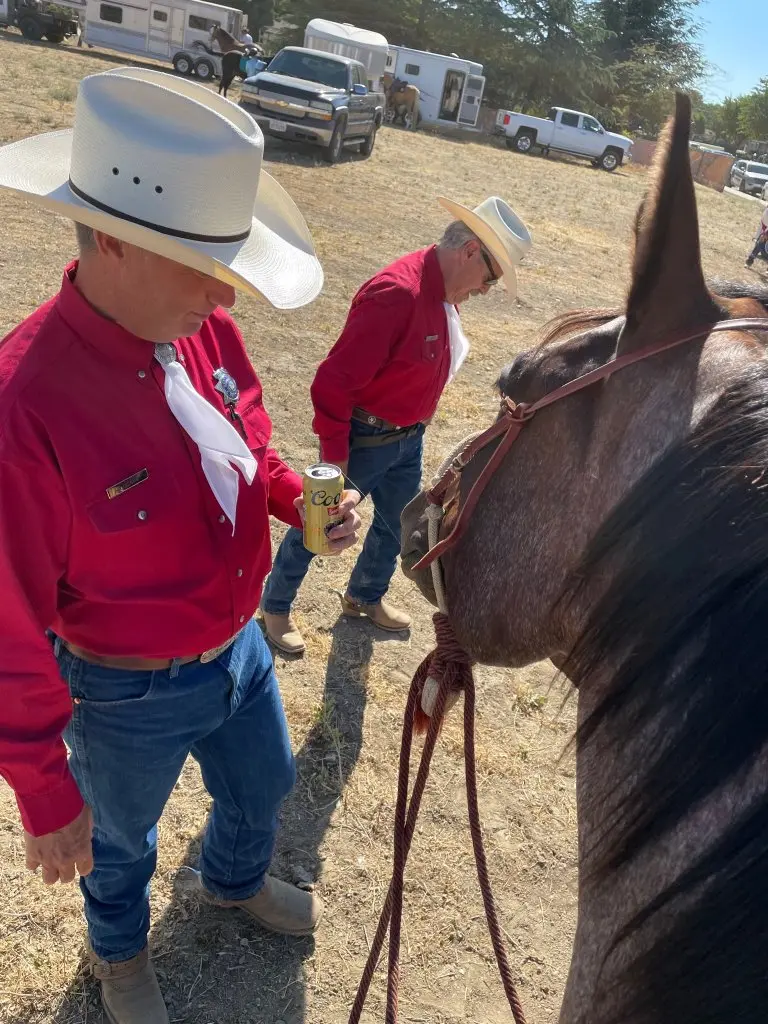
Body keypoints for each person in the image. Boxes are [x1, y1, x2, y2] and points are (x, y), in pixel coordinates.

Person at [0, 67, 362, 1024]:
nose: (224, 295)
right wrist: (44, 788)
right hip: (124, 689)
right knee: (120, 842)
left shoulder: (198, 331)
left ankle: (235, 882)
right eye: (202, 264)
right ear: (112, 240)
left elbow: (251, 452)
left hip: (239, 647)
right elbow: (6, 627)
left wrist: (300, 505)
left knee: (269, 781)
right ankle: (119, 955)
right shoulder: (25, 406)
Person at [262, 196, 532, 655]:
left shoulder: (442, 297)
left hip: (409, 438)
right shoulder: (397, 294)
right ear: (470, 250)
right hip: (365, 440)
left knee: (396, 525)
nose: (487, 290)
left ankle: (364, 597)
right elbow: (333, 384)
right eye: (490, 277)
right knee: (320, 521)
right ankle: (276, 605)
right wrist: (336, 461)